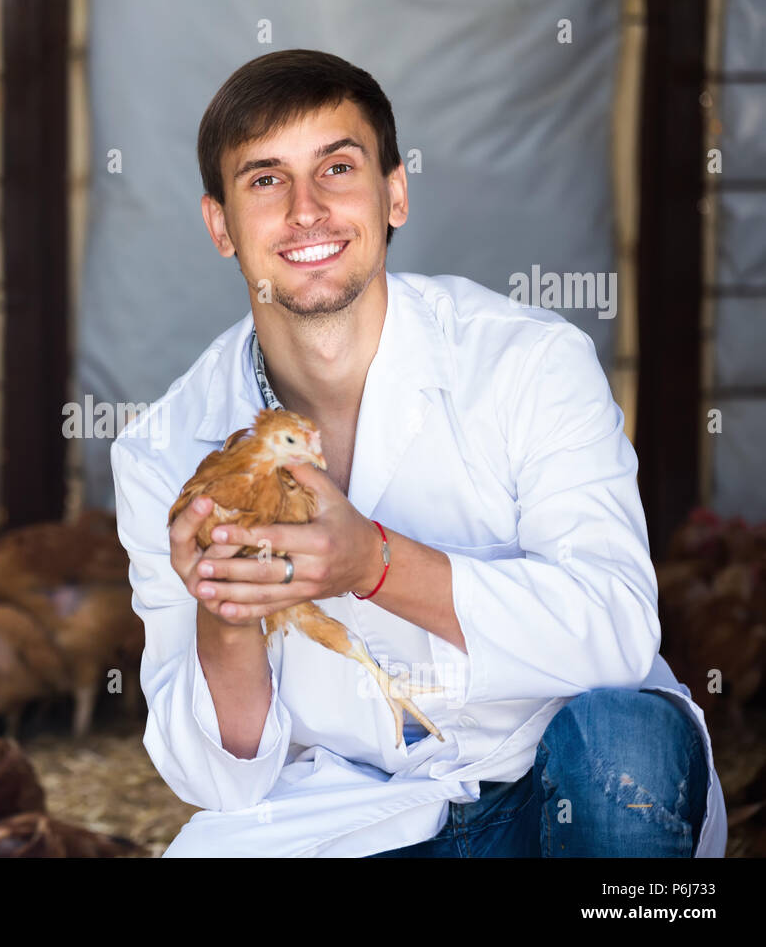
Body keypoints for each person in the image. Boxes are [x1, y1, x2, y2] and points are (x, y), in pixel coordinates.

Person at [109, 48, 727, 857]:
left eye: (337, 167)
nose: (305, 210)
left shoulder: (529, 361)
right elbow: (220, 781)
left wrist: (376, 565)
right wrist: (226, 615)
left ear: (394, 193)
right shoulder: (163, 449)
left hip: (552, 781)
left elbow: (615, 629)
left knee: (623, 732)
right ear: (221, 225)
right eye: (265, 179)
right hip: (356, 811)